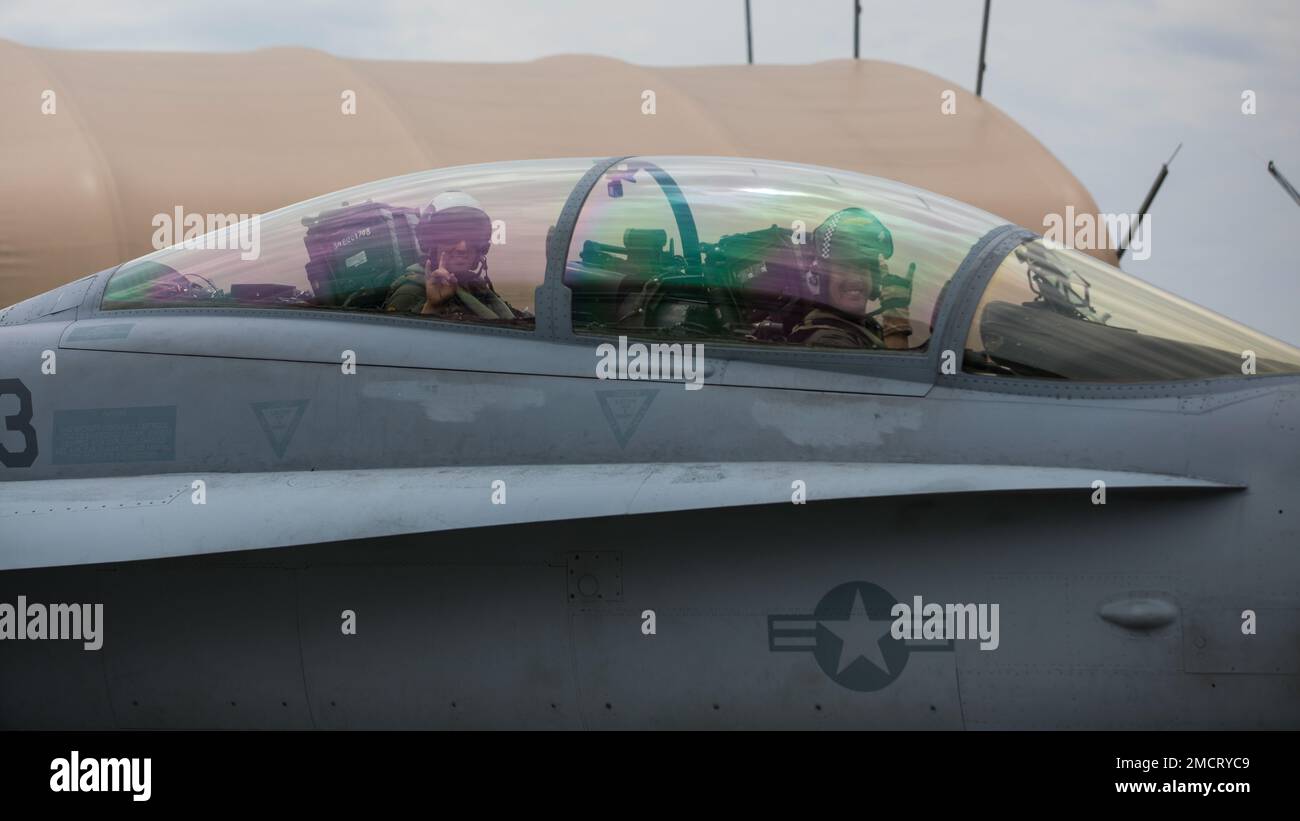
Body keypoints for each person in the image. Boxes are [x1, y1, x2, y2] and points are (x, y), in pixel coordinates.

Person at [383, 191, 524, 320]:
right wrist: (432, 306)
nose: (463, 248)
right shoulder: (411, 292)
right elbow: (397, 338)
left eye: (472, 237)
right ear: (429, 243)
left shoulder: (476, 287)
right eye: (451, 236)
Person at [788, 207, 914, 350]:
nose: (856, 279)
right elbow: (892, 365)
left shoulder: (864, 327)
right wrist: (896, 325)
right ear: (822, 279)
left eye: (862, 267)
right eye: (844, 267)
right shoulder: (827, 342)